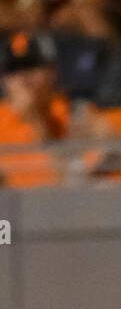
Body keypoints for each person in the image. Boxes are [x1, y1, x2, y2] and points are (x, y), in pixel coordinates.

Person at [0, 31, 69, 190]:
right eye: (14, 70)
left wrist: (33, 120)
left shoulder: (71, 113)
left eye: (32, 66)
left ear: (52, 72)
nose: (23, 77)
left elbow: (70, 183)